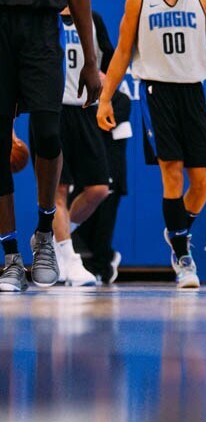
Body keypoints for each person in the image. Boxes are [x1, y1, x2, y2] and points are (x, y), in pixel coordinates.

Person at [96, 0, 206, 288]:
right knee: (172, 173)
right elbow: (121, 52)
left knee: (203, 180)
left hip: (193, 91)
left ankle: (177, 231)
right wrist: (105, 98)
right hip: (155, 91)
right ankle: (183, 256)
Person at [0, 0, 101, 292]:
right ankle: (9, 255)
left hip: (43, 30)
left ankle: (45, 233)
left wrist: (92, 60)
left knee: (47, 130)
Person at [33, 7, 115, 286]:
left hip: (84, 111)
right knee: (57, 189)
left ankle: (57, 236)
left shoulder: (93, 19)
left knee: (99, 188)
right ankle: (70, 258)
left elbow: (111, 59)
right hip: (52, 110)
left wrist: (106, 77)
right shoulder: (44, 17)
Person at [73, 88, 131, 284]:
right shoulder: (82, 97)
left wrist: (86, 123)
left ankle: (102, 268)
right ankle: (99, 261)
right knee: (81, 221)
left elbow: (106, 124)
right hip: (86, 169)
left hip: (111, 169)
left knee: (104, 223)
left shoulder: (121, 100)